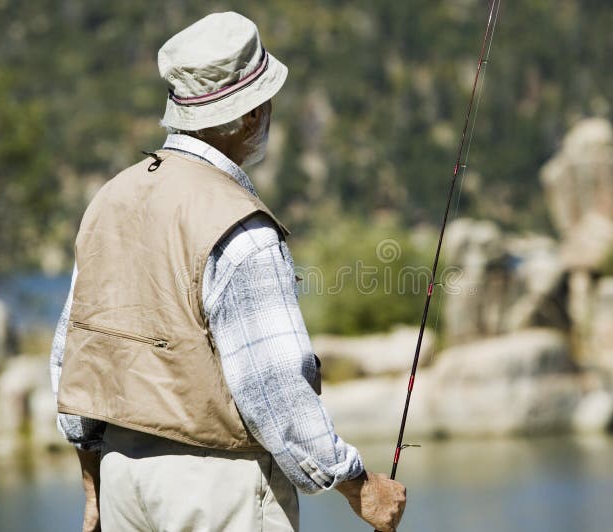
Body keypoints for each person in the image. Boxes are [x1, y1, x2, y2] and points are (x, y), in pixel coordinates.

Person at [50, 11, 406, 532]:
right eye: (266, 99)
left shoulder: (110, 201)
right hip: (218, 490)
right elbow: (275, 389)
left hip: (121, 478)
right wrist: (358, 486)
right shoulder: (240, 227)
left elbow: (73, 362)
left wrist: (94, 484)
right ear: (250, 115)